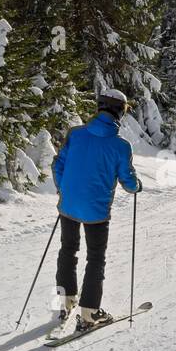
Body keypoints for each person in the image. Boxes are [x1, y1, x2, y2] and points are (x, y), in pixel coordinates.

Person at [52, 89, 142, 331]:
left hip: (68, 205)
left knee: (67, 249)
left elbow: (58, 164)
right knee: (95, 258)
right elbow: (128, 181)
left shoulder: (76, 134)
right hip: (97, 212)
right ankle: (89, 313)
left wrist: (63, 189)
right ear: (119, 112)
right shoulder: (121, 145)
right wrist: (136, 186)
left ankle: (64, 301)